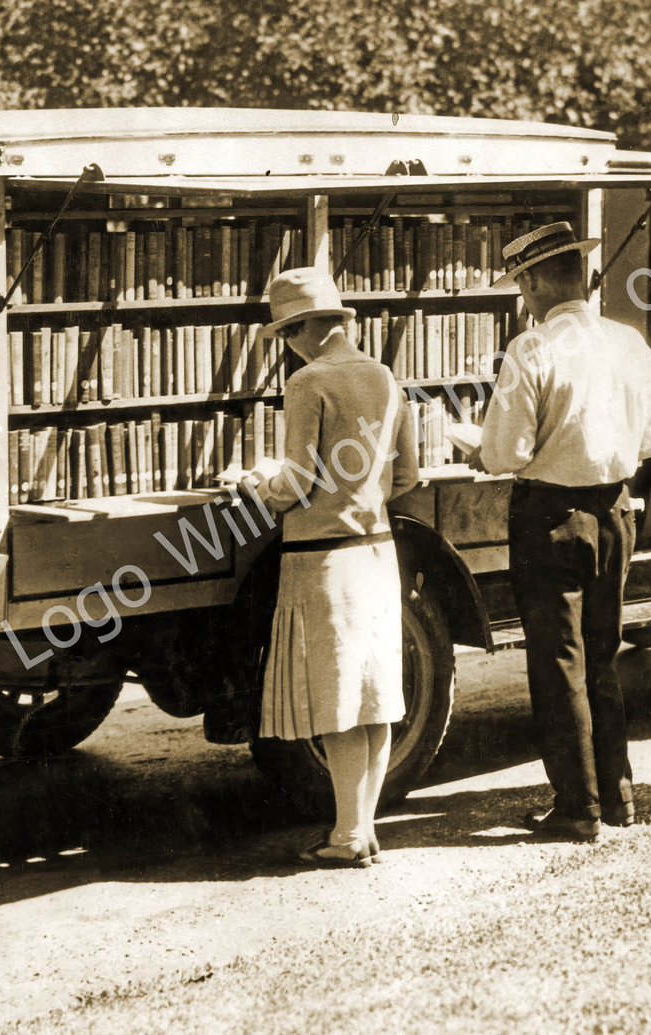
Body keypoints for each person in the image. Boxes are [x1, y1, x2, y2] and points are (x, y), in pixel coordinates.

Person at [471, 222, 651, 842]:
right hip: (614, 513)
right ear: (581, 275)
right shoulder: (630, 343)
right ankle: (617, 793)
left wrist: (474, 445)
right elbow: (649, 439)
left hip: (550, 518)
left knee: (559, 663)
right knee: (601, 655)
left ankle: (578, 807)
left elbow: (506, 453)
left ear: (529, 282)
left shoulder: (531, 349)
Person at [229, 267, 420, 868]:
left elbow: (297, 481)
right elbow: (409, 475)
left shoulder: (309, 382)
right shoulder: (385, 377)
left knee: (338, 700)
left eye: (288, 332)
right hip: (377, 551)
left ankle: (345, 837)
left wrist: (254, 481)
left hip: (322, 562)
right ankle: (360, 829)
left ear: (310, 329)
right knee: (375, 696)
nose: (287, 344)